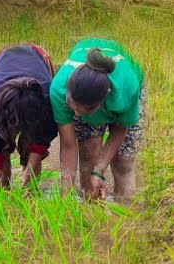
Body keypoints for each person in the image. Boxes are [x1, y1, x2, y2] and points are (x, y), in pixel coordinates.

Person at [49, 39, 145, 201]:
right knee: (89, 152)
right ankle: (91, 208)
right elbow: (68, 144)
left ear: (103, 102)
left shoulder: (126, 88)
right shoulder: (59, 89)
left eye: (82, 110)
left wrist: (99, 171)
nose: (76, 115)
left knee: (123, 162)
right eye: (72, 107)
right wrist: (65, 197)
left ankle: (124, 207)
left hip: (125, 88)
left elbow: (121, 128)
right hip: (85, 94)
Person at [0, 44, 58, 189]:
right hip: (3, 59)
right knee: (2, 145)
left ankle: (31, 191)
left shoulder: (46, 98)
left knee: (31, 145)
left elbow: (43, 136)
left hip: (36, 56)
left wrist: (28, 174)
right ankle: (5, 188)